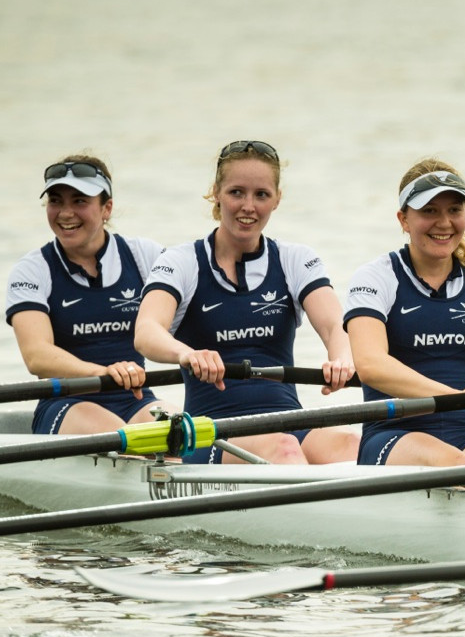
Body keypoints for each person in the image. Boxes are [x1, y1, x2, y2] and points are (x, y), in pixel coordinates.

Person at [133, 140, 359, 464]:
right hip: (212, 434)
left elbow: (335, 325)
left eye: (261, 195)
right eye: (236, 192)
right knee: (284, 449)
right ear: (216, 193)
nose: (248, 206)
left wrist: (341, 360)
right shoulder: (181, 262)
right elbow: (146, 331)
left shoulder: (295, 259)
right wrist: (186, 354)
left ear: (277, 199)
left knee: (352, 444)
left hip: (288, 425)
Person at [344, 160, 465, 467]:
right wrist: (458, 397)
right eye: (430, 211)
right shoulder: (377, 277)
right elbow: (371, 365)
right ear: (404, 220)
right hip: (394, 432)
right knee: (461, 468)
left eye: (454, 210)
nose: (444, 222)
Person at [6, 155, 178, 434]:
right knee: (125, 441)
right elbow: (36, 356)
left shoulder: (145, 256)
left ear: (107, 208)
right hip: (66, 403)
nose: (65, 213)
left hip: (135, 399)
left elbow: (193, 318)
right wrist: (102, 372)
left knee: (180, 433)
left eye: (79, 201)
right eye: (56, 201)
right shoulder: (32, 269)